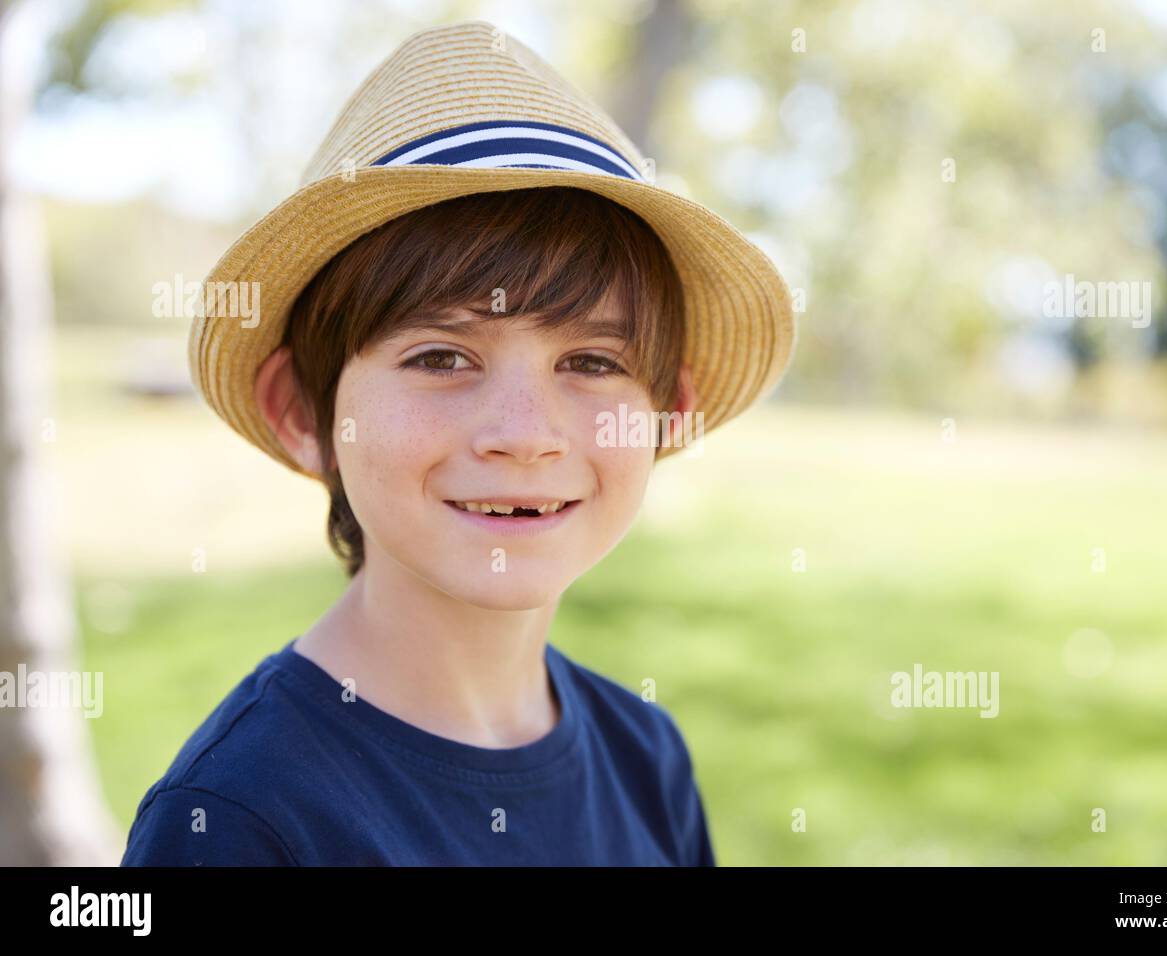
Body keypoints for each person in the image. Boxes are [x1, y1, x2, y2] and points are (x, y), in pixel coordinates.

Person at [121, 19, 795, 866]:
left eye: (591, 360)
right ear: (302, 412)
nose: (523, 435)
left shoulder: (648, 758)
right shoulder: (242, 817)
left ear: (668, 416)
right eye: (440, 357)